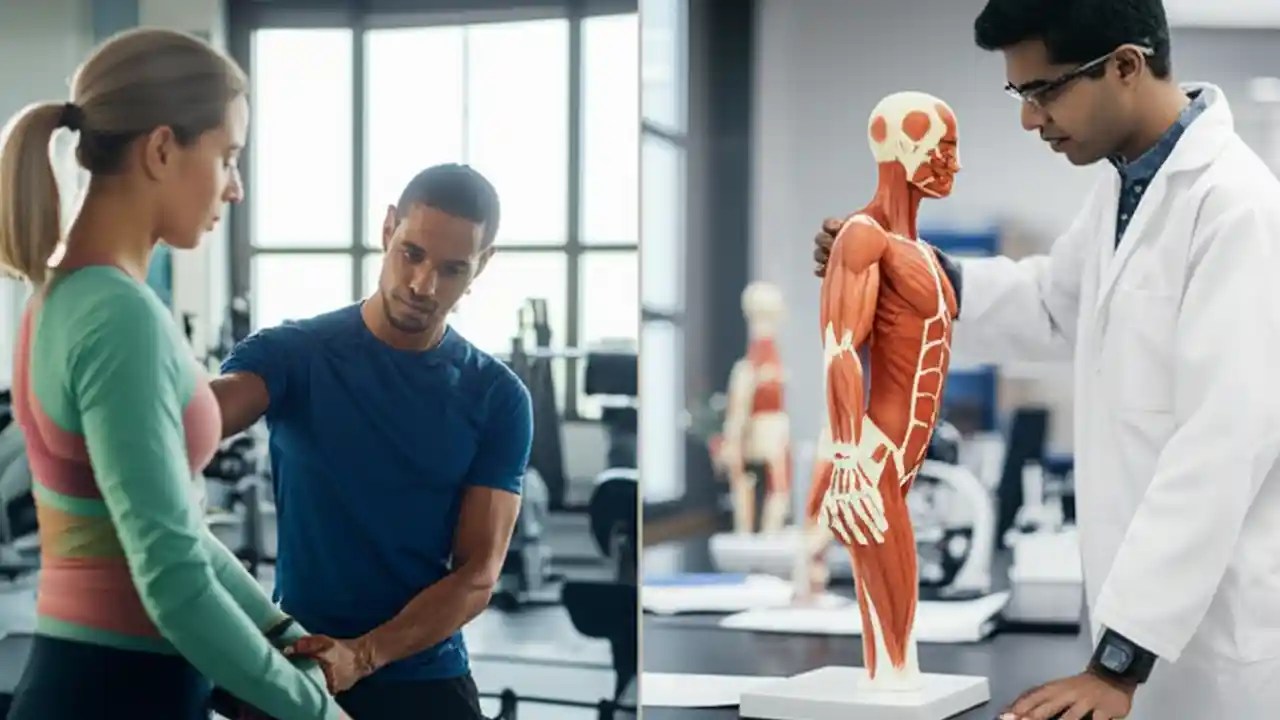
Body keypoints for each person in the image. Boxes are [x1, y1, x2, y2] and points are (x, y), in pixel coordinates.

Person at [810, 1, 1280, 719]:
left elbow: (1222, 446)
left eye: (1045, 91)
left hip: (1206, 651)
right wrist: (921, 273)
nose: (1031, 120)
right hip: (1134, 625)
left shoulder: (1237, 207)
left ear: (1125, 65)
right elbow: (1055, 308)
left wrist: (1119, 663)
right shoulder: (1124, 185)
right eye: (1021, 95)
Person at [0, 28, 347, 720]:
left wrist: (286, 636)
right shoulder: (118, 316)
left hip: (111, 683)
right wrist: (313, 713)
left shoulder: (65, 297)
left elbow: (183, 531)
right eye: (227, 157)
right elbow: (173, 576)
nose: (236, 188)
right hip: (114, 694)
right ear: (162, 149)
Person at [212, 163, 532, 719]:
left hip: (423, 674)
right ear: (388, 231)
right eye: (412, 254)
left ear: (483, 265)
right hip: (302, 665)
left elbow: (478, 574)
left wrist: (363, 655)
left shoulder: (497, 396)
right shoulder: (294, 354)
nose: (423, 286)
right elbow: (197, 420)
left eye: (453, 269)